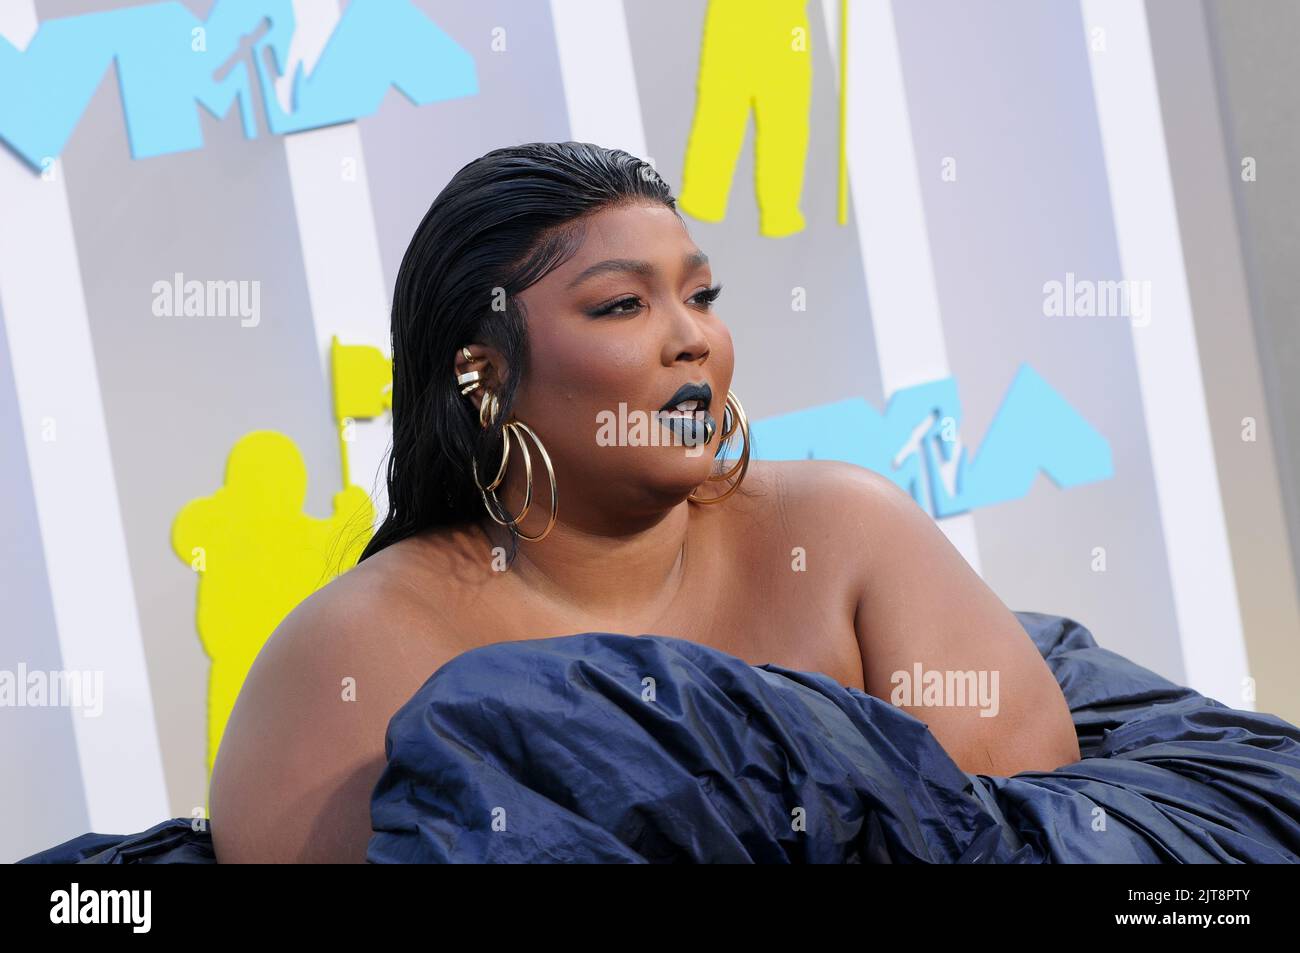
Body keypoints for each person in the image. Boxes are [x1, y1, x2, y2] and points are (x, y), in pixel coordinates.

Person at [208, 141, 1080, 863]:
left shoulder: (852, 536)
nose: (691, 337)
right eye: (624, 304)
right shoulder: (350, 652)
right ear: (484, 374)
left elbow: (1028, 841)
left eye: (701, 296)